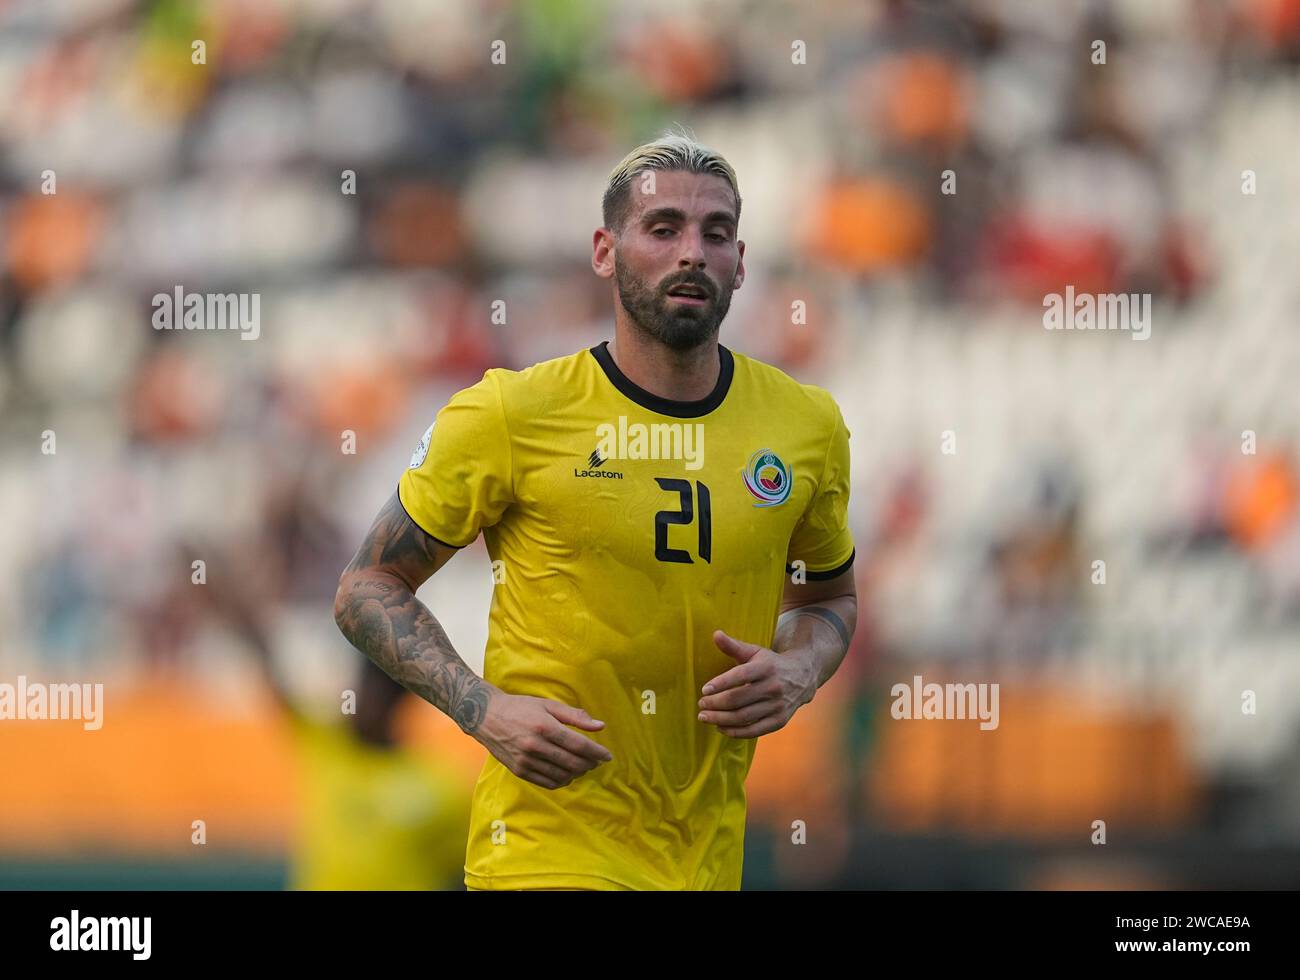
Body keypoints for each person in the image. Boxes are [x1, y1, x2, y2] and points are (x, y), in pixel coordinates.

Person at [334, 129, 858, 890]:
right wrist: (482, 709)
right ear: (605, 252)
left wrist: (800, 669)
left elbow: (829, 598)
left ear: (741, 264)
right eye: (663, 228)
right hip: (546, 856)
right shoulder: (511, 413)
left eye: (715, 233)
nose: (692, 253)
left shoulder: (805, 426)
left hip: (706, 861)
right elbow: (366, 587)